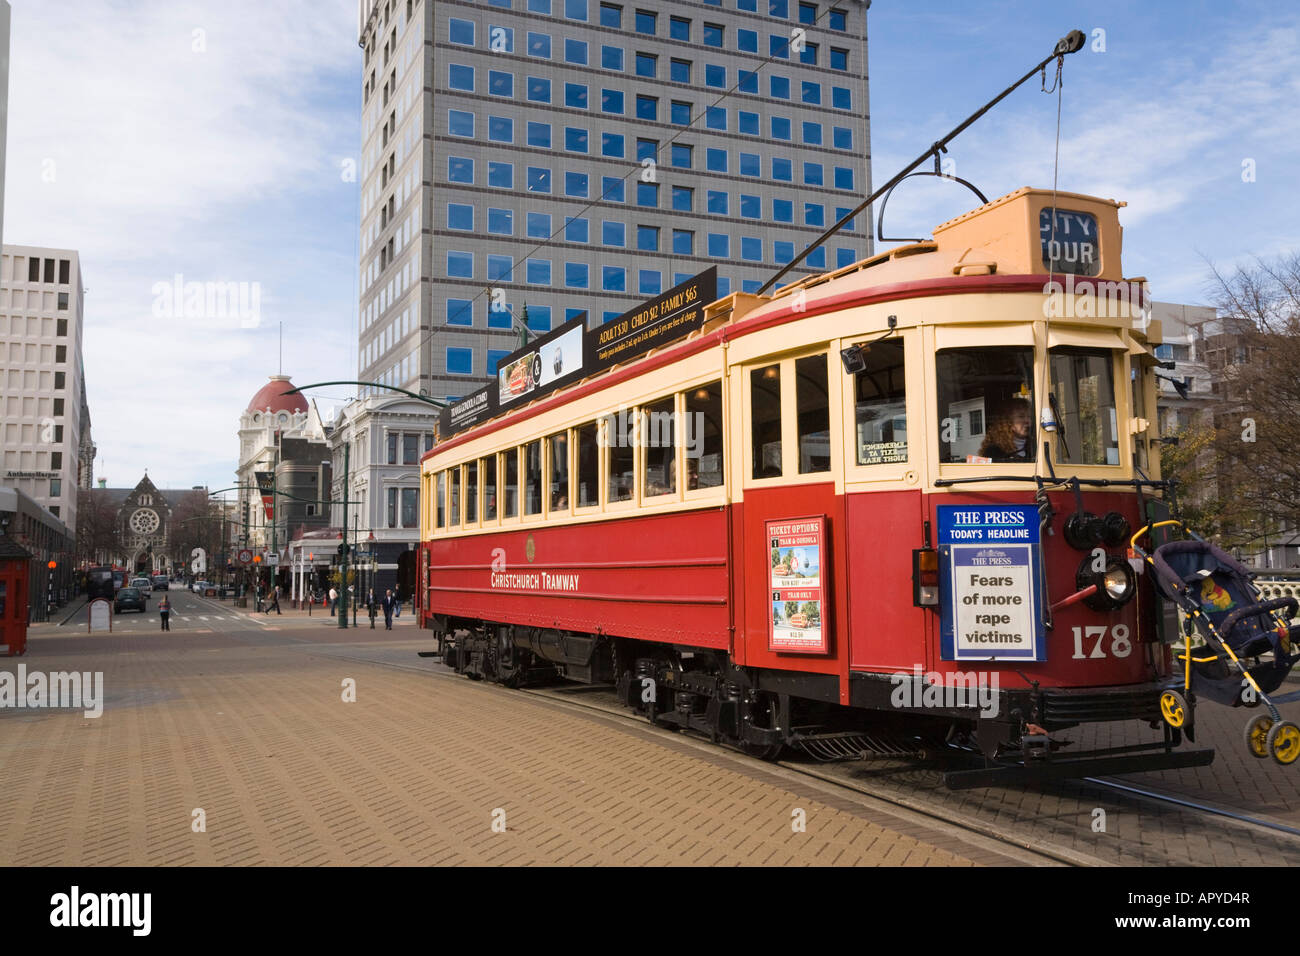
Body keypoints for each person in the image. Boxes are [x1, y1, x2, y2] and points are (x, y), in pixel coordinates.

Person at [978, 398, 1034, 462]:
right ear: (1008, 421)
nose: (1027, 421)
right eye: (1021, 416)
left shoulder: (1035, 446)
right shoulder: (994, 451)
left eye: (1029, 416)